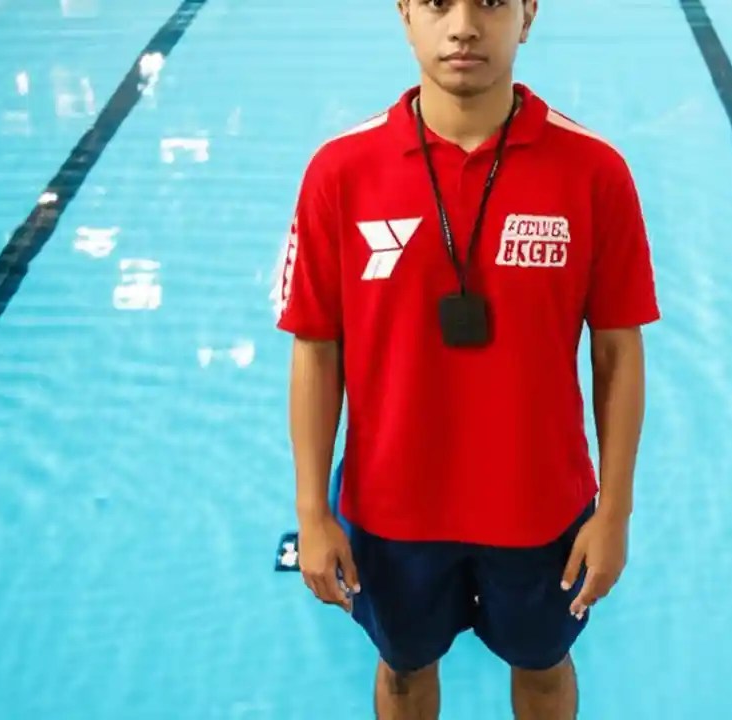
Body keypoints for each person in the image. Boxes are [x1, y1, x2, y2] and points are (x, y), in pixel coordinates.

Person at [273, 1, 659, 717]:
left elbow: (617, 353)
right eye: (437, 4)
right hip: (391, 508)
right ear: (405, 15)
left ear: (528, 13)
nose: (463, 26)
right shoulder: (340, 172)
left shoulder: (594, 172)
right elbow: (315, 350)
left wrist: (616, 512)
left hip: (541, 506)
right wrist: (310, 512)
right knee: (404, 673)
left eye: (489, 2)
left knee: (544, 670)